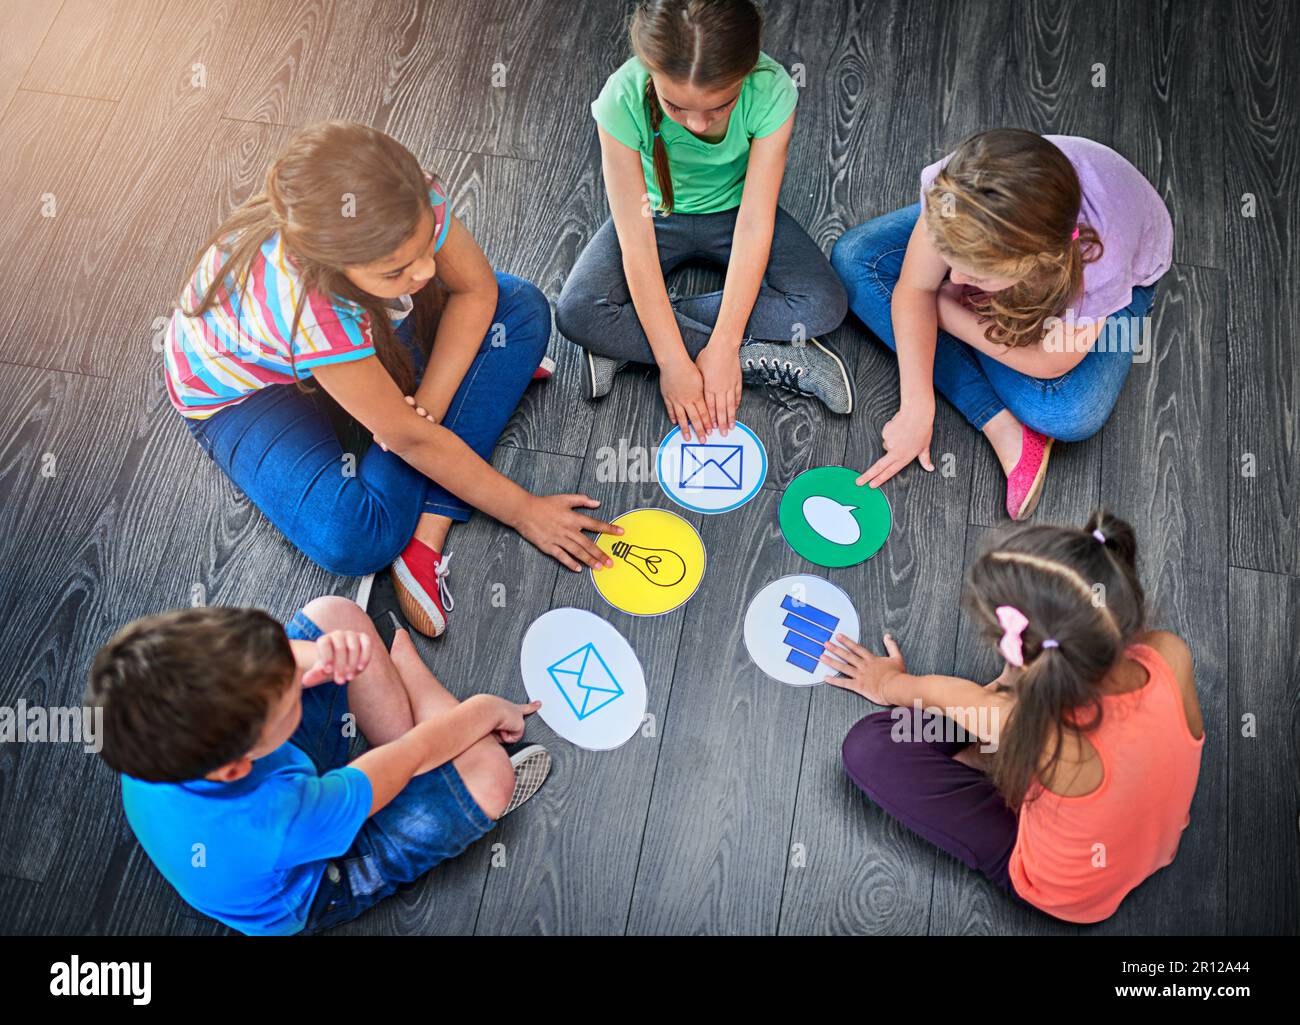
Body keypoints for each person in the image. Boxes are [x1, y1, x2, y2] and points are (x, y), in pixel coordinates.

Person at [165, 121, 622, 637]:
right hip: (247, 395)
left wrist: (424, 407)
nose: (426, 270)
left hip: (352, 356)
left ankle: (432, 507)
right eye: (396, 270)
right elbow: (407, 438)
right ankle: (457, 439)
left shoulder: (409, 197)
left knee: (522, 308)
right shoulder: (310, 307)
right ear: (333, 266)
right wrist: (523, 511)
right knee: (357, 538)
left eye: (428, 244)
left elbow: (477, 291)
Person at [87, 595, 549, 935]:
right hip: (317, 881)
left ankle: (423, 703)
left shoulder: (148, 724)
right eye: (289, 692)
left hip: (270, 800)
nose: (299, 671)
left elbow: (289, 659)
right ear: (236, 765)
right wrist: (487, 708)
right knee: (490, 776)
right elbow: (408, 757)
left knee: (334, 616)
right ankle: (418, 686)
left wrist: (319, 656)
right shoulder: (279, 817)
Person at [829, 511, 1204, 923]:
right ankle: (986, 747)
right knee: (984, 718)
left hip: (1073, 894)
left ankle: (983, 753)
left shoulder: (1037, 734)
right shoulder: (1169, 652)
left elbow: (940, 694)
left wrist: (885, 683)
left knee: (871, 747)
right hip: (1155, 844)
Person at [832, 129, 1172, 519]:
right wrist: (916, 406)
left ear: (1033, 265)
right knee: (854, 260)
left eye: (977, 276)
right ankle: (1000, 422)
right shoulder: (954, 191)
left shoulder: (1100, 263)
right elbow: (914, 288)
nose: (955, 278)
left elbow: (1052, 361)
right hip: (1005, 230)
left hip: (1127, 282)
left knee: (1070, 412)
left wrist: (942, 312)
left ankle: (968, 337)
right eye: (950, 258)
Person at [556, 0, 852, 437]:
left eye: (720, 106)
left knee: (824, 303)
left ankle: (625, 341)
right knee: (577, 312)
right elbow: (636, 241)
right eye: (676, 107)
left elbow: (755, 223)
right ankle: (764, 357)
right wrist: (673, 361)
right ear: (649, 69)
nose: (697, 124)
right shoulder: (619, 100)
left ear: (746, 73)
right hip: (655, 215)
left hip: (737, 214)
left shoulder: (771, 90)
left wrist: (723, 343)